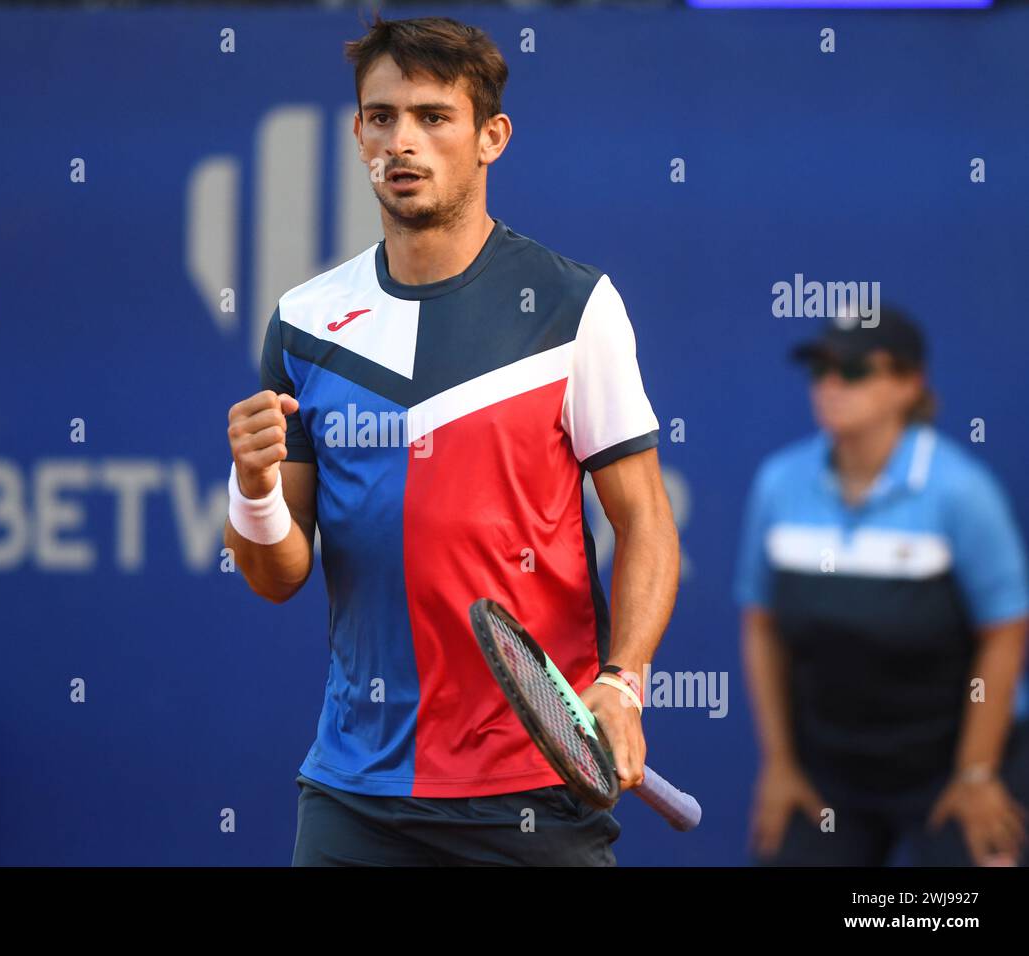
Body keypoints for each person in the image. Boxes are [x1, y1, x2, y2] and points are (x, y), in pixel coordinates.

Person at [222, 15, 679, 866]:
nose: (403, 142)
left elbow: (647, 519)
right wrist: (250, 490)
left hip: (535, 786)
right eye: (382, 117)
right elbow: (275, 576)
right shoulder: (303, 323)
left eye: (434, 117)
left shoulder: (574, 306)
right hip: (356, 791)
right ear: (358, 133)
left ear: (490, 137)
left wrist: (622, 683)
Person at [736, 305, 1029, 866]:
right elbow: (762, 626)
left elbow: (1004, 632)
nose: (830, 385)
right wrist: (780, 764)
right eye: (820, 369)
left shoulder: (963, 491)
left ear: (909, 384)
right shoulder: (779, 483)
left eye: (854, 370)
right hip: (830, 769)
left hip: (952, 762)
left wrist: (975, 772)